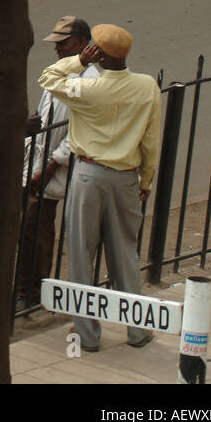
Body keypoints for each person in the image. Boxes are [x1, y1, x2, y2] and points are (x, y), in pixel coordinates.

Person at [38, 24, 161, 352]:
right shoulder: (147, 87)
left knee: (81, 252)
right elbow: (150, 141)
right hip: (126, 177)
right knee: (125, 253)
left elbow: (48, 78)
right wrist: (146, 181)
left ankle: (88, 335)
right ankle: (137, 330)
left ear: (99, 54)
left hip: (89, 176)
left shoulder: (85, 88)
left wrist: (78, 60)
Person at [15, 16, 99, 309]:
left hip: (52, 170)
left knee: (35, 231)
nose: (58, 48)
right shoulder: (59, 72)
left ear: (83, 43)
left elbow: (79, 133)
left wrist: (49, 168)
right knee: (25, 229)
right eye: (57, 44)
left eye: (64, 43)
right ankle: (23, 289)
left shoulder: (89, 81)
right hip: (35, 162)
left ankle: (30, 295)